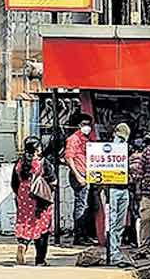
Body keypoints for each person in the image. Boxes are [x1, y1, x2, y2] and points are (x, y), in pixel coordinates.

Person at [10, 136, 57, 266]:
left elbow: (14, 183)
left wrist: (21, 196)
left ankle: (23, 244)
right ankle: (40, 260)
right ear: (37, 149)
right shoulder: (43, 163)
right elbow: (53, 181)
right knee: (41, 228)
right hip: (39, 199)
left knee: (24, 222)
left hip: (23, 197)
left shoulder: (19, 163)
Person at [105, 123, 133, 268]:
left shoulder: (126, 150)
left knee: (120, 223)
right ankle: (112, 252)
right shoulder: (107, 150)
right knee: (112, 221)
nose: (121, 141)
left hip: (124, 188)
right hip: (112, 189)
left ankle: (115, 250)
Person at [64, 113, 94, 245]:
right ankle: (79, 236)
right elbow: (68, 158)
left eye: (88, 124)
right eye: (84, 124)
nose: (87, 127)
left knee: (88, 206)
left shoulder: (87, 139)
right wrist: (77, 175)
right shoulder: (73, 139)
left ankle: (85, 234)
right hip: (79, 174)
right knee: (81, 205)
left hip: (88, 174)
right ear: (78, 125)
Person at [129, 135, 150, 251]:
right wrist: (138, 189)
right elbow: (140, 172)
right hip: (147, 192)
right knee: (145, 219)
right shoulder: (148, 152)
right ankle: (143, 247)